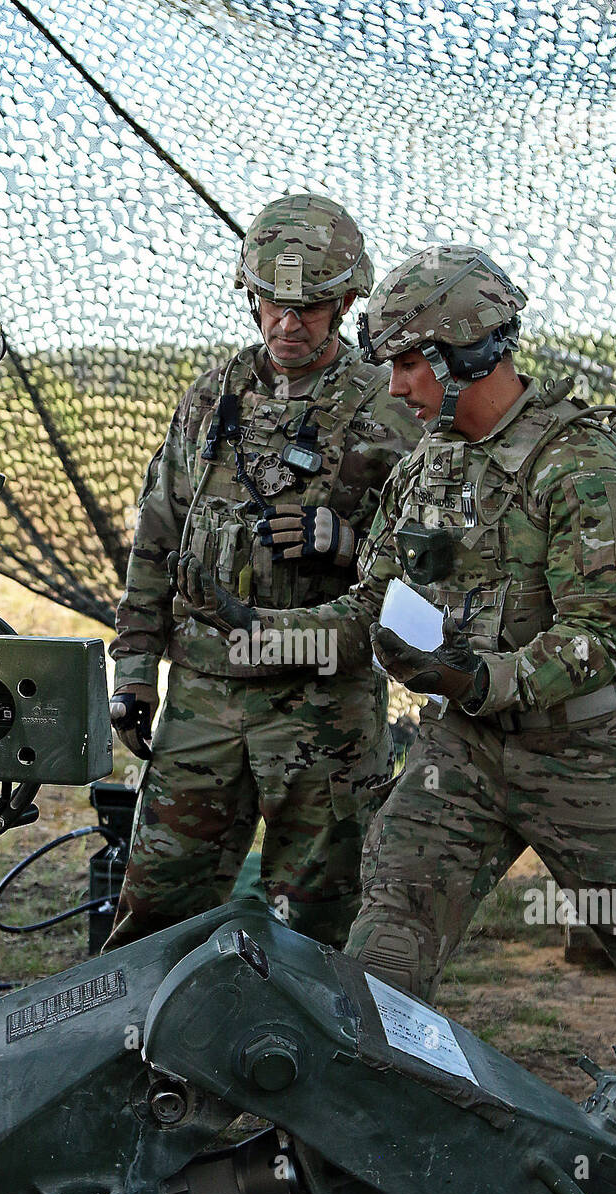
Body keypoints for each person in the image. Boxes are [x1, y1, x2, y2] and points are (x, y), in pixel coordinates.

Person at [175, 242, 616, 1074]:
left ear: (465, 353)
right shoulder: (429, 466)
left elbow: (604, 634)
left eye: (407, 366)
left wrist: (485, 678)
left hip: (587, 762)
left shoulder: (578, 465)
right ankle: (361, 1159)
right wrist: (263, 630)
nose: (394, 387)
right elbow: (375, 608)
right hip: (460, 756)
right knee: (382, 957)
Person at [104, 194, 422, 952]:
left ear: (347, 301)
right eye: (273, 303)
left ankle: (312, 1065)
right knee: (158, 913)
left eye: (310, 307)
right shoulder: (213, 397)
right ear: (249, 295)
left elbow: (434, 575)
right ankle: (151, 1062)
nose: (288, 323)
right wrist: (136, 668)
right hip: (206, 699)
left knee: (318, 927)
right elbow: (157, 534)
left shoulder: (391, 407)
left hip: (325, 709)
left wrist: (344, 543)